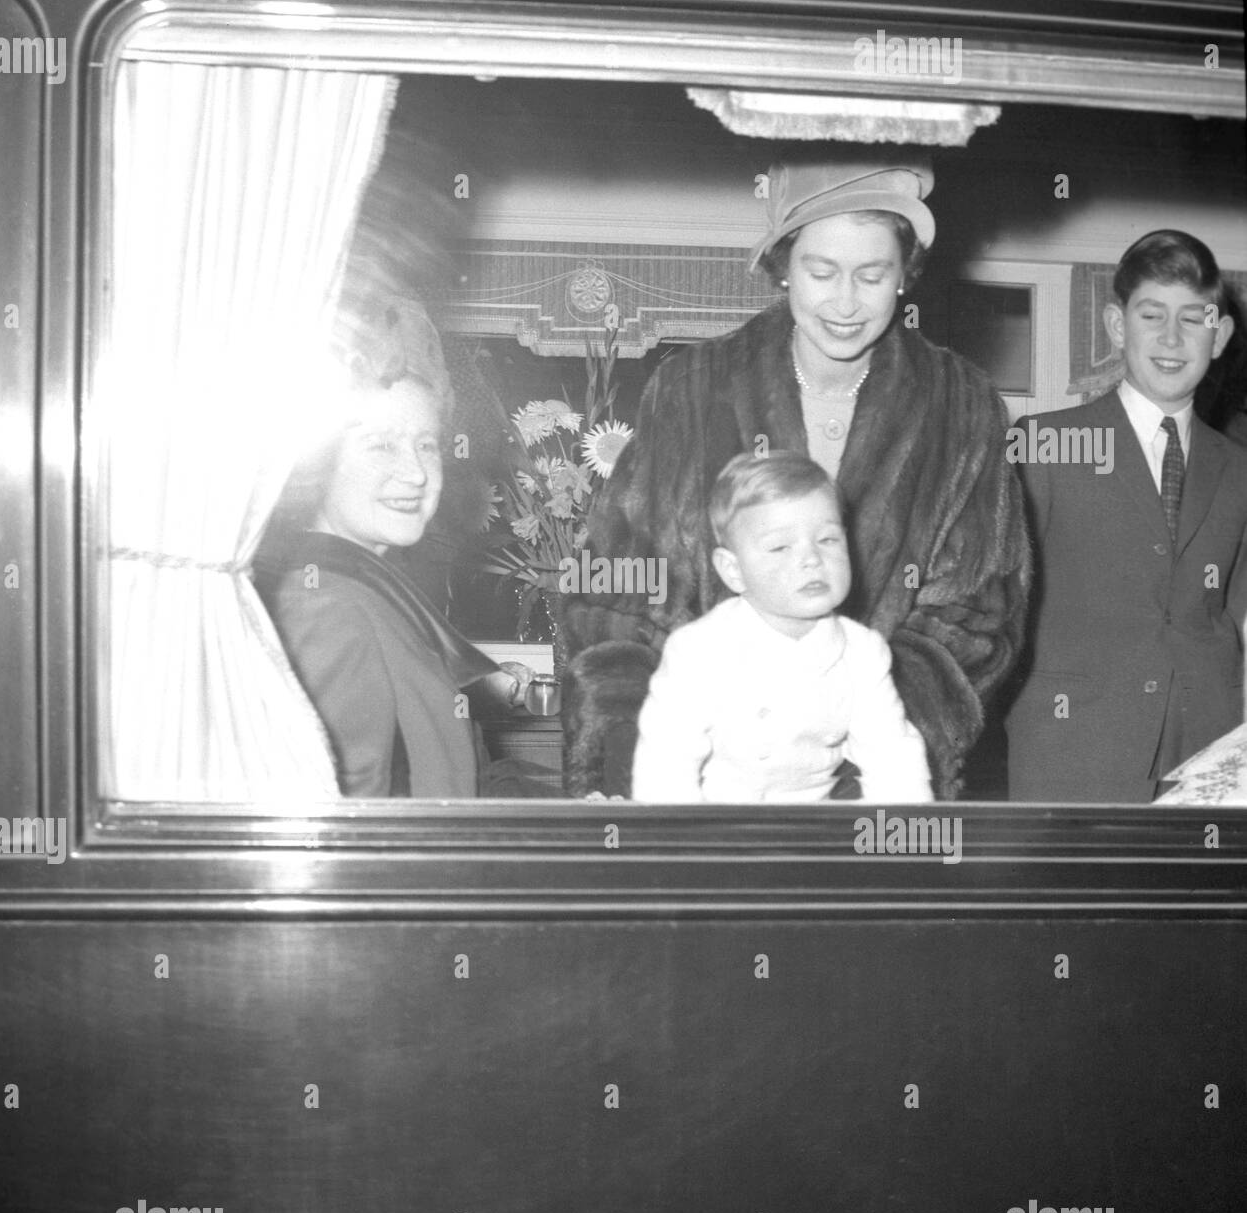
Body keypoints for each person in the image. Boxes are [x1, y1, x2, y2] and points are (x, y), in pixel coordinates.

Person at [563, 149, 1030, 799]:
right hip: (689, 791)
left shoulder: (961, 406)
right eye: (821, 271)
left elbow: (976, 618)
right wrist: (636, 759)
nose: (845, 301)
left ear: (905, 277)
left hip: (869, 788)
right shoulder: (689, 390)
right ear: (783, 268)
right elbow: (615, 589)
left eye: (872, 275)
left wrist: (860, 762)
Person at [1006, 229, 1247, 803]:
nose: (1172, 337)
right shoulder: (1042, 443)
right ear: (1117, 326)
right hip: (1070, 753)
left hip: (1208, 761)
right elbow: (999, 607)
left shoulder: (1238, 466)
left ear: (1220, 337)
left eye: (1194, 318)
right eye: (1152, 314)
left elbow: (1239, 617)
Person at [256, 332, 535, 798]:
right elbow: (344, 826)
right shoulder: (326, 607)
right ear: (317, 464)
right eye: (382, 445)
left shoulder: (371, 587)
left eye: (426, 445)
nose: (417, 473)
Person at [631, 452, 932, 802]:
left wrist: (902, 844)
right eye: (779, 547)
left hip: (814, 828)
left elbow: (894, 761)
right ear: (733, 570)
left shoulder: (863, 651)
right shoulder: (698, 650)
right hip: (714, 825)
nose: (811, 559)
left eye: (828, 540)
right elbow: (666, 768)